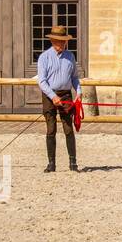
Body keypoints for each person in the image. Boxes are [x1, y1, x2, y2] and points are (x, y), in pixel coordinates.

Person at [36, 24, 81, 173]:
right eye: (58, 41)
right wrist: (53, 96)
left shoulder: (70, 56)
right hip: (50, 95)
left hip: (66, 94)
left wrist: (78, 91)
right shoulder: (44, 57)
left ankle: (73, 163)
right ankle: (51, 163)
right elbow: (42, 81)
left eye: (63, 41)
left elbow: (74, 77)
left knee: (68, 128)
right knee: (51, 129)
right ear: (53, 41)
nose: (61, 44)